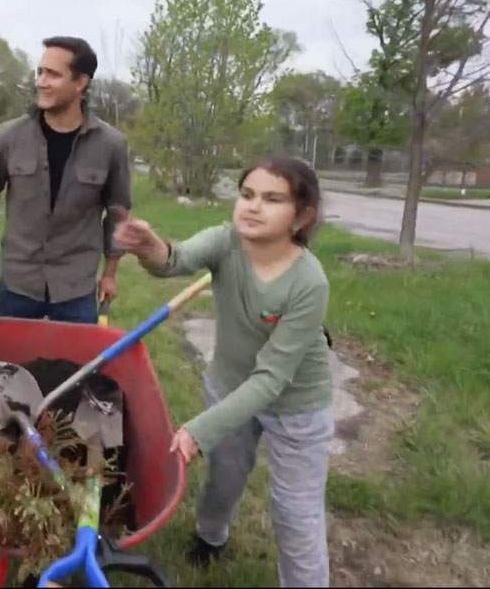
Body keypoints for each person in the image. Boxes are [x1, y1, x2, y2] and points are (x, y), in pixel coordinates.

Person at [113, 157, 334, 588]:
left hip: (297, 407)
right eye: (247, 194)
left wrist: (199, 429)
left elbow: (272, 379)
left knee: (297, 514)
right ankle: (211, 537)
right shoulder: (224, 242)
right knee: (223, 478)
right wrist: (149, 247)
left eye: (272, 199)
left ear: (302, 216)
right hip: (229, 385)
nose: (252, 207)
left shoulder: (309, 283)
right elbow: (173, 260)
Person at [0, 36, 131, 324]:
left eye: (52, 74)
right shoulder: (8, 138)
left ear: (80, 83)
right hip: (19, 282)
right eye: (39, 72)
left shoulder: (110, 145)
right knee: (13, 365)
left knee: (74, 367)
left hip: (76, 287)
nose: (41, 81)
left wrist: (110, 275)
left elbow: (118, 213)